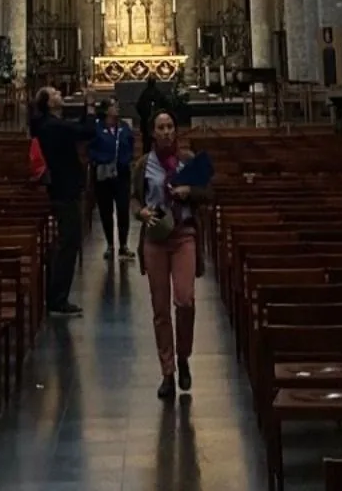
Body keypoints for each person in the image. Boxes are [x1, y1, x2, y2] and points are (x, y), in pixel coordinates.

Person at [134, 109, 212, 400]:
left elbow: (209, 192)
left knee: (185, 299)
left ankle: (184, 356)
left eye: (170, 126)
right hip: (155, 237)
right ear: (153, 132)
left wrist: (189, 190)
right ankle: (167, 371)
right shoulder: (144, 164)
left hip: (183, 234)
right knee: (160, 309)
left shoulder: (189, 160)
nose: (166, 131)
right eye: (160, 127)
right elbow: (133, 197)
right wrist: (139, 212)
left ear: (175, 131)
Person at [29, 87, 93, 316]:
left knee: (67, 242)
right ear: (49, 103)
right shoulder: (53, 126)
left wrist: (87, 108)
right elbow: (85, 131)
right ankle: (57, 299)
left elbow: (78, 128)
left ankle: (56, 296)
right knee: (69, 243)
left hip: (61, 188)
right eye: (55, 93)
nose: (59, 94)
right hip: (64, 190)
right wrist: (92, 107)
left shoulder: (49, 124)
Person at [87, 100, 135, 262]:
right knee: (106, 210)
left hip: (121, 174)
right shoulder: (97, 128)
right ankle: (109, 244)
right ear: (107, 110)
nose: (117, 108)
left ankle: (123, 245)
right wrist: (102, 160)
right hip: (104, 175)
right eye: (114, 106)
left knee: (123, 209)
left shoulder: (124, 127)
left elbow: (130, 144)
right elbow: (91, 148)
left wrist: (125, 160)